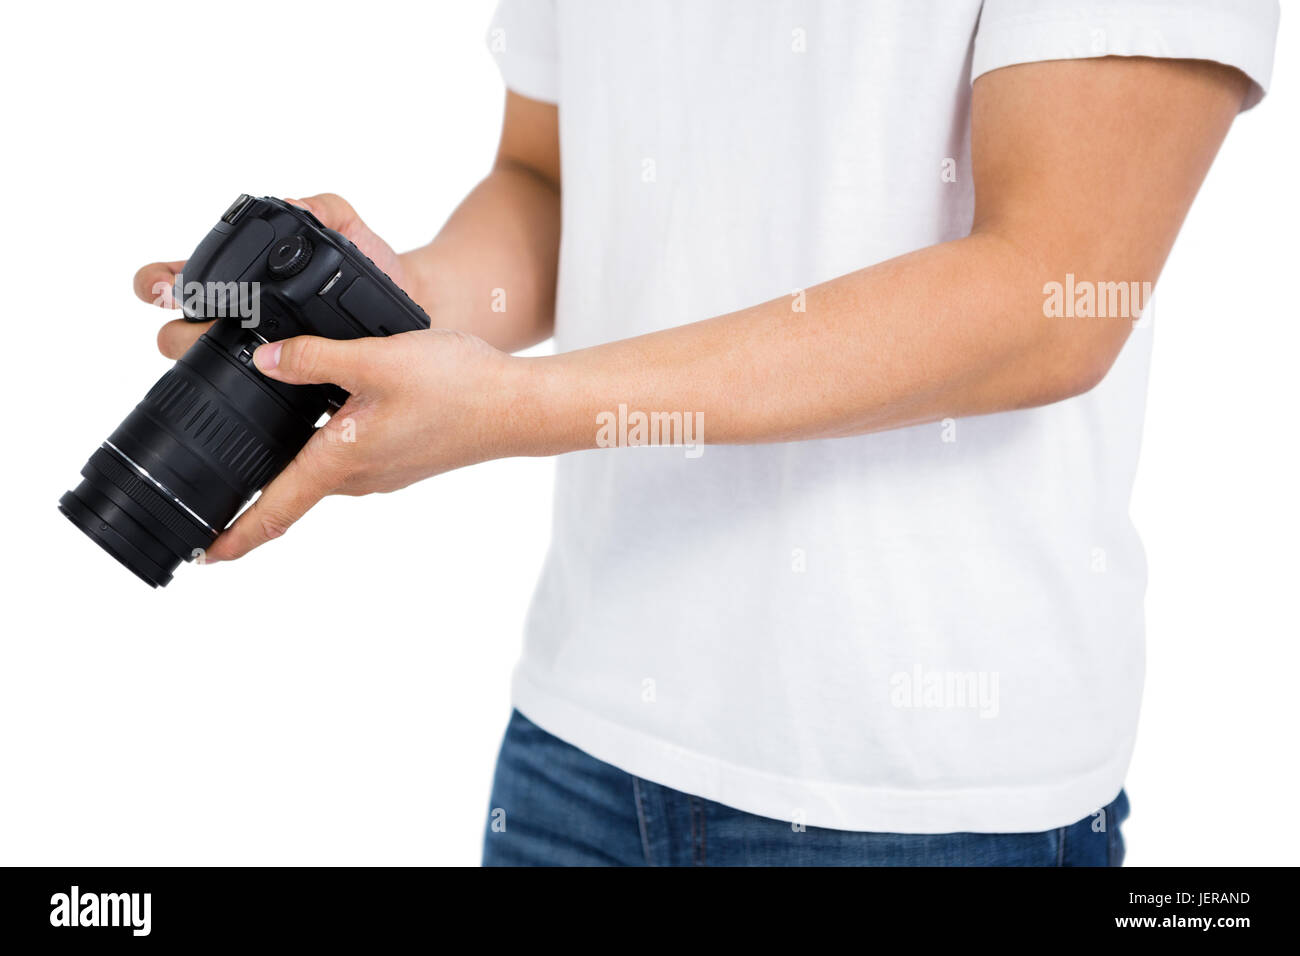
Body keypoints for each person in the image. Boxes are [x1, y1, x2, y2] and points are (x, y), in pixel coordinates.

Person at [133, 0, 1279, 866]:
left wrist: (514, 407)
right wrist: (386, 307)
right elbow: (547, 181)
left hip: (918, 795)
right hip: (580, 737)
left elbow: (1050, 295)